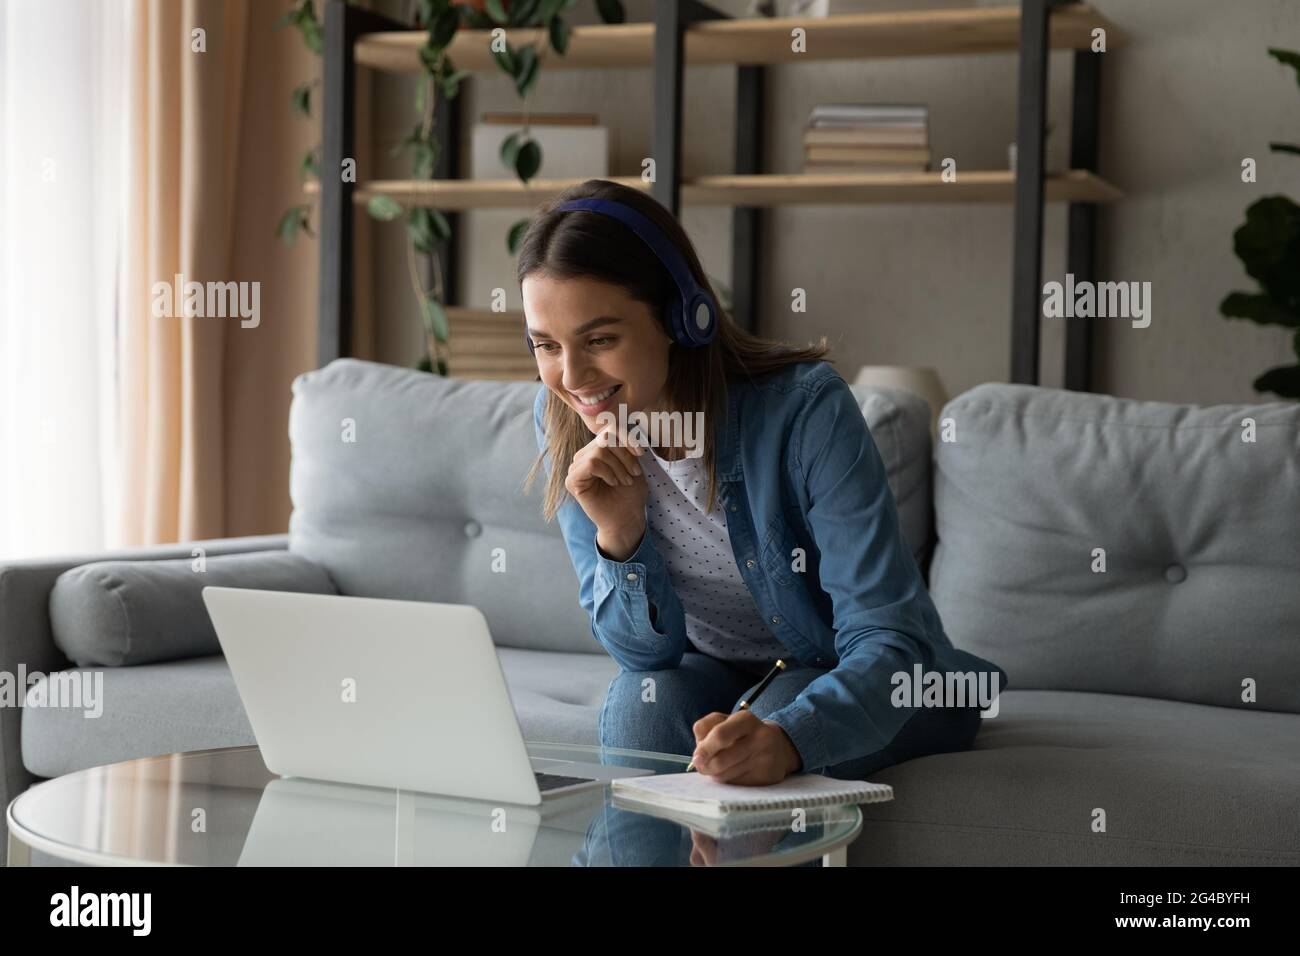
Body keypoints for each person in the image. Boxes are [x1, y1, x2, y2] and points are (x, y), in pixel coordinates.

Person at [521, 178, 1006, 786]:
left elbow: (887, 636)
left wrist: (790, 739)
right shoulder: (563, 417)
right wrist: (619, 533)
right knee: (639, 707)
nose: (571, 377)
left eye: (599, 339)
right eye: (546, 346)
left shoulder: (805, 411)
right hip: (716, 672)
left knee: (777, 714)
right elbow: (645, 656)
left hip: (886, 680)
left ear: (681, 316)